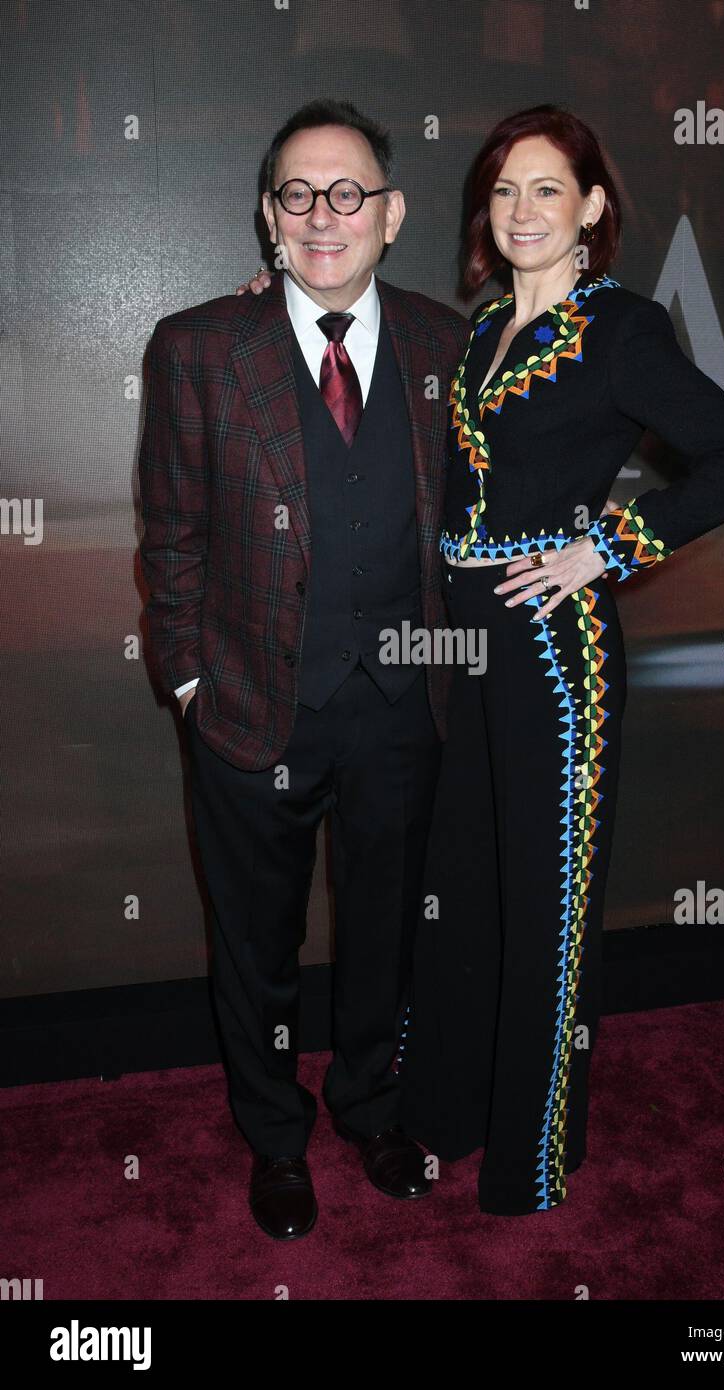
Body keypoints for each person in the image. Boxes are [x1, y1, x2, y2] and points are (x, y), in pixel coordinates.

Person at [237, 103, 724, 1219]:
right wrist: (274, 302)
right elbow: (352, 334)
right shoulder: (470, 330)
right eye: (502, 191)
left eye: (546, 189)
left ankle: (530, 1154)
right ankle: (443, 1112)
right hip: (462, 654)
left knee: (545, 902)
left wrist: (605, 547)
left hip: (553, 652)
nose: (522, 210)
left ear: (591, 207)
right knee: (460, 893)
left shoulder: (620, 327)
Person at [138, 99, 467, 1241]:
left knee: (385, 928)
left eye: (348, 193)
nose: (323, 216)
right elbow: (170, 537)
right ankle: (274, 1134)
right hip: (247, 713)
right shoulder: (196, 348)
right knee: (256, 945)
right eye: (297, 194)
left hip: (401, 710)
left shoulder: (449, 344)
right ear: (268, 217)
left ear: (391, 214)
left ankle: (369, 1101)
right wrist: (187, 681)